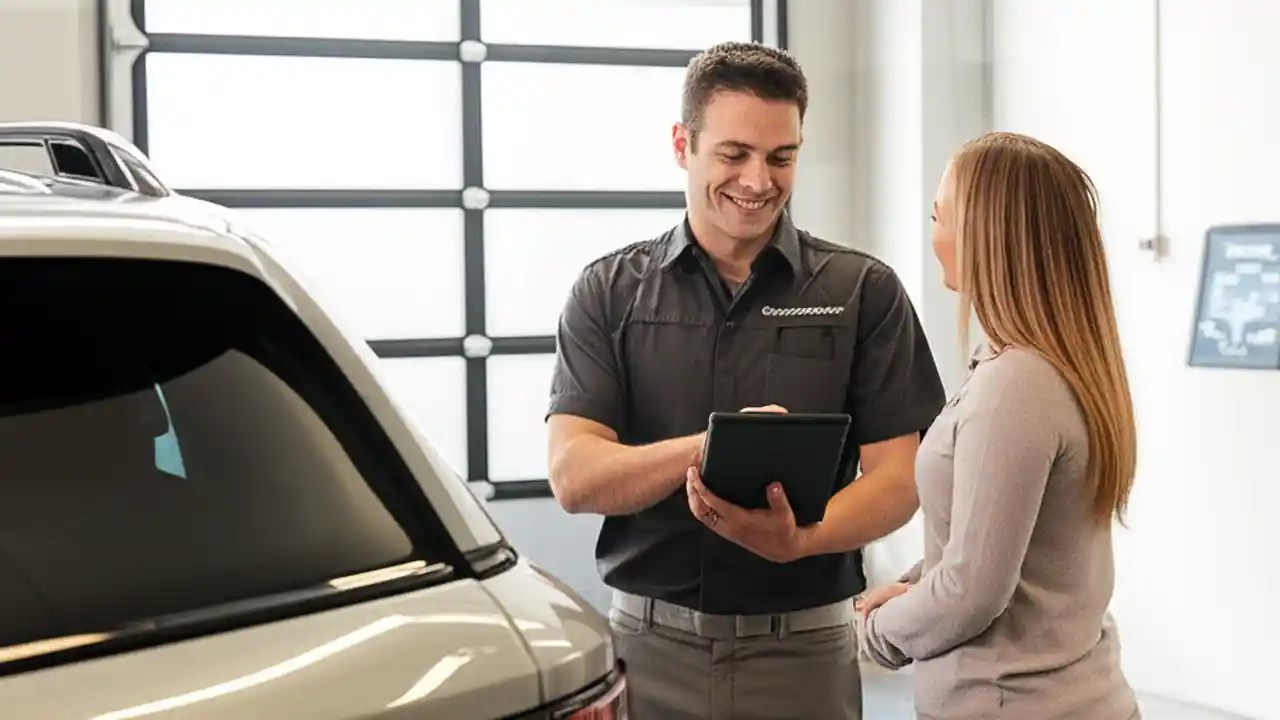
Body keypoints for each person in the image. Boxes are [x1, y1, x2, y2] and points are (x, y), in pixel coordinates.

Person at [545, 41, 946, 719]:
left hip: (805, 655)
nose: (758, 181)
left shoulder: (862, 291)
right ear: (683, 144)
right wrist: (704, 451)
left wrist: (801, 541)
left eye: (781, 157)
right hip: (648, 651)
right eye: (734, 155)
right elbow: (575, 476)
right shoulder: (609, 292)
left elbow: (900, 480)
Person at [854, 131, 1143, 720]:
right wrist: (916, 585)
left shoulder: (1017, 385)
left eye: (938, 217)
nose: (932, 235)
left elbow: (970, 591)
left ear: (984, 239)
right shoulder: (1048, 364)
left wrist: (874, 631)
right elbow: (1002, 543)